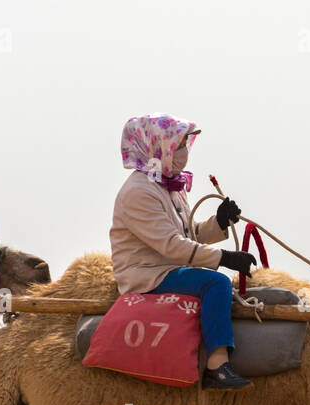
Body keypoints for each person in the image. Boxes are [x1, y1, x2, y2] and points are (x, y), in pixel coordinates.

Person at [110, 113, 257, 389]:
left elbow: (188, 234)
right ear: (155, 146)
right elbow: (172, 246)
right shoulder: (138, 192)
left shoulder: (170, 186)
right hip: (148, 274)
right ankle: (217, 365)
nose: (182, 153)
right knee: (216, 283)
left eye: (183, 145)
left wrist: (220, 222)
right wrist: (224, 259)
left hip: (170, 266)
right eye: (175, 146)